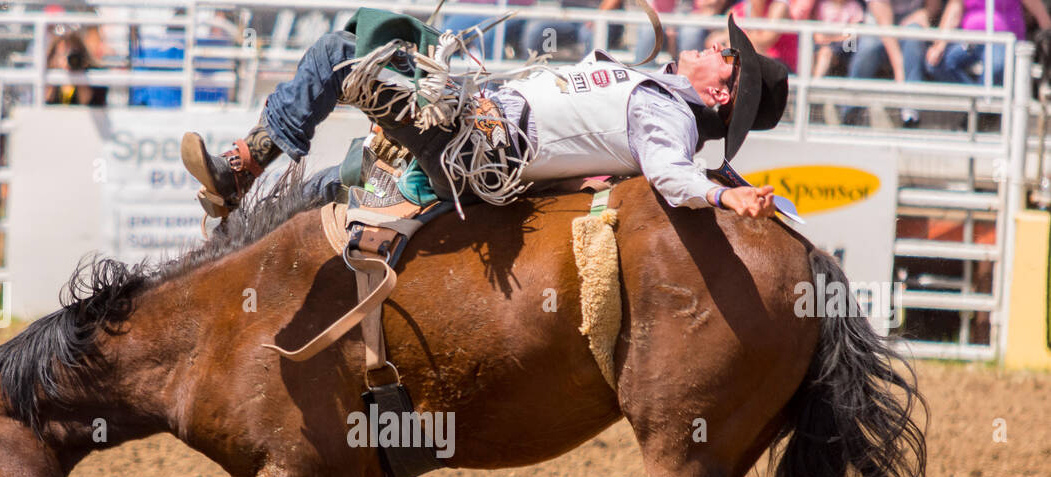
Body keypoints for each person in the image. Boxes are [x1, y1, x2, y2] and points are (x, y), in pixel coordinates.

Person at [180, 14, 789, 222]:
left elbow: (671, 175)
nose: (714, 47)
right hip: (475, 126)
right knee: (353, 165)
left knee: (345, 54)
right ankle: (244, 218)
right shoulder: (656, 92)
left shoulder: (667, 116)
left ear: (720, 95)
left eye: (725, 56)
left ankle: (246, 164)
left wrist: (720, 198)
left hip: (477, 146)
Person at [843, 0, 934, 126]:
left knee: (914, 39)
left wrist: (925, 12)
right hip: (878, 20)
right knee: (868, 50)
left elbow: (934, 4)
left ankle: (910, 112)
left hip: (910, 17)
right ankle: (850, 109)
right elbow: (884, 22)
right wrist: (899, 67)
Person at [926, 0, 1051, 86]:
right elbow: (954, 10)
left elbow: (1041, 14)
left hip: (1002, 41)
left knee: (997, 67)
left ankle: (981, 110)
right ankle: (979, 105)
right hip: (972, 40)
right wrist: (940, 44)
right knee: (937, 63)